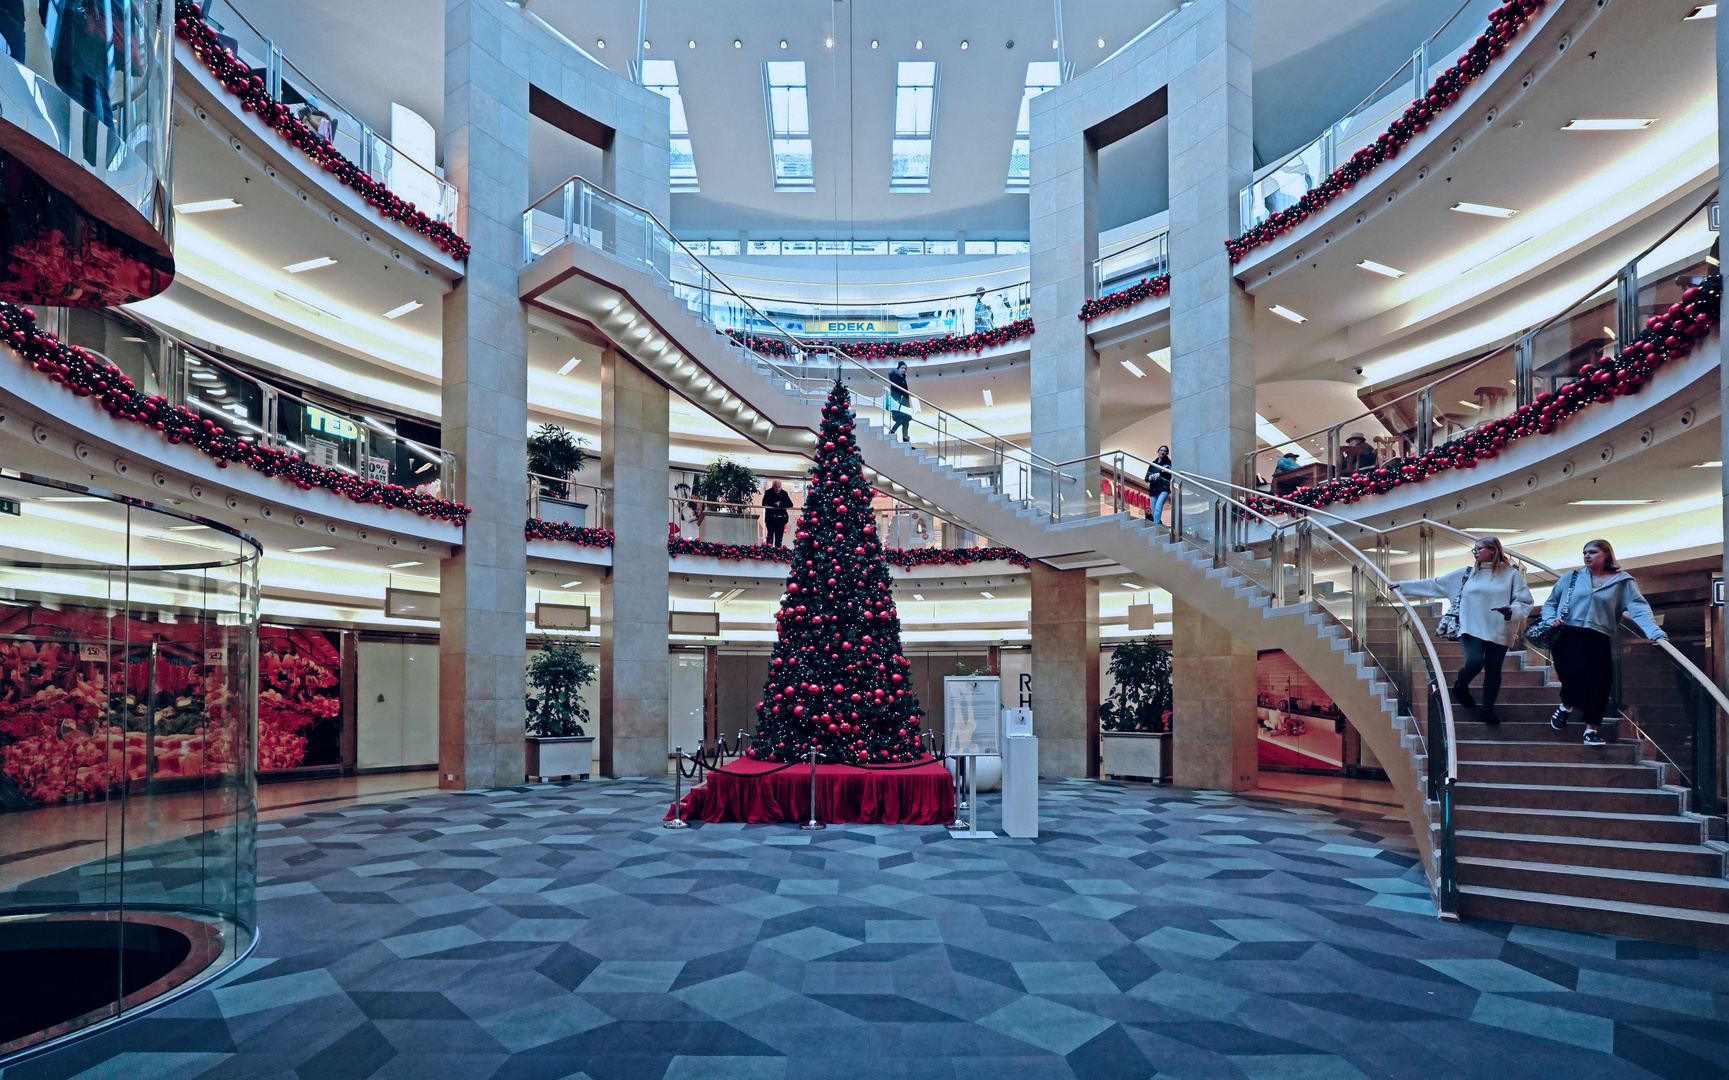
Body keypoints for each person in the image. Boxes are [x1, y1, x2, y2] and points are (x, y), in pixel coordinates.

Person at [1392, 536, 1532, 725]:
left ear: (1493, 550)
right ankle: (1461, 686)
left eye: (1479, 549)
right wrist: (1403, 585)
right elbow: (1435, 584)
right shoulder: (1466, 574)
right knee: (1475, 661)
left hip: (1500, 628)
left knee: (1493, 670)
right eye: (1473, 550)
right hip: (1470, 626)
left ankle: (1487, 709)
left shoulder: (1511, 574)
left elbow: (1524, 601)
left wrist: (1511, 611)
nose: (1475, 552)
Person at [1540, 538, 1666, 746]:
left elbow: (1639, 609)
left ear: (1607, 554)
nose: (1587, 556)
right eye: (1584, 553)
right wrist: (1549, 619)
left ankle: (1591, 730)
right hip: (1567, 633)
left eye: (1592, 552)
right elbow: (1550, 603)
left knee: (1600, 682)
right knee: (1574, 677)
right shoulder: (1571, 577)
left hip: (1599, 635)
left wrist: (1654, 632)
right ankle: (1566, 705)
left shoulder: (1623, 582)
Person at [762, 479, 795, 546]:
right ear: (773, 486)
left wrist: (780, 504)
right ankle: (768, 551)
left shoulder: (784, 493)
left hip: (780, 519)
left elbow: (790, 504)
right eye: (776, 487)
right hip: (770, 518)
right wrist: (774, 504)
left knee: (779, 537)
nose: (777, 489)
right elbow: (764, 503)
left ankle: (778, 552)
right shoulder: (768, 493)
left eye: (779, 487)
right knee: (770, 535)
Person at [1144, 447, 1172, 526]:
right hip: (1154, 489)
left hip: (1164, 488)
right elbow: (1146, 478)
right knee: (1153, 509)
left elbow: (1169, 475)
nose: (1162, 452)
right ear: (1158, 451)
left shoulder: (1169, 463)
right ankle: (1158, 523)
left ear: (1166, 453)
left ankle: (1156, 525)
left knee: (1158, 507)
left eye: (1165, 451)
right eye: (1161, 450)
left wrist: (1159, 474)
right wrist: (1149, 477)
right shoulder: (1153, 464)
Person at [887, 361, 912, 442]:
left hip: (904, 403)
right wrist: (897, 401)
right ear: (898, 369)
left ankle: (905, 439)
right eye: (902, 368)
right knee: (901, 420)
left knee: (906, 422)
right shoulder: (896, 377)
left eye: (905, 368)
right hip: (898, 403)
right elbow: (893, 389)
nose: (904, 370)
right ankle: (891, 432)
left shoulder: (902, 379)